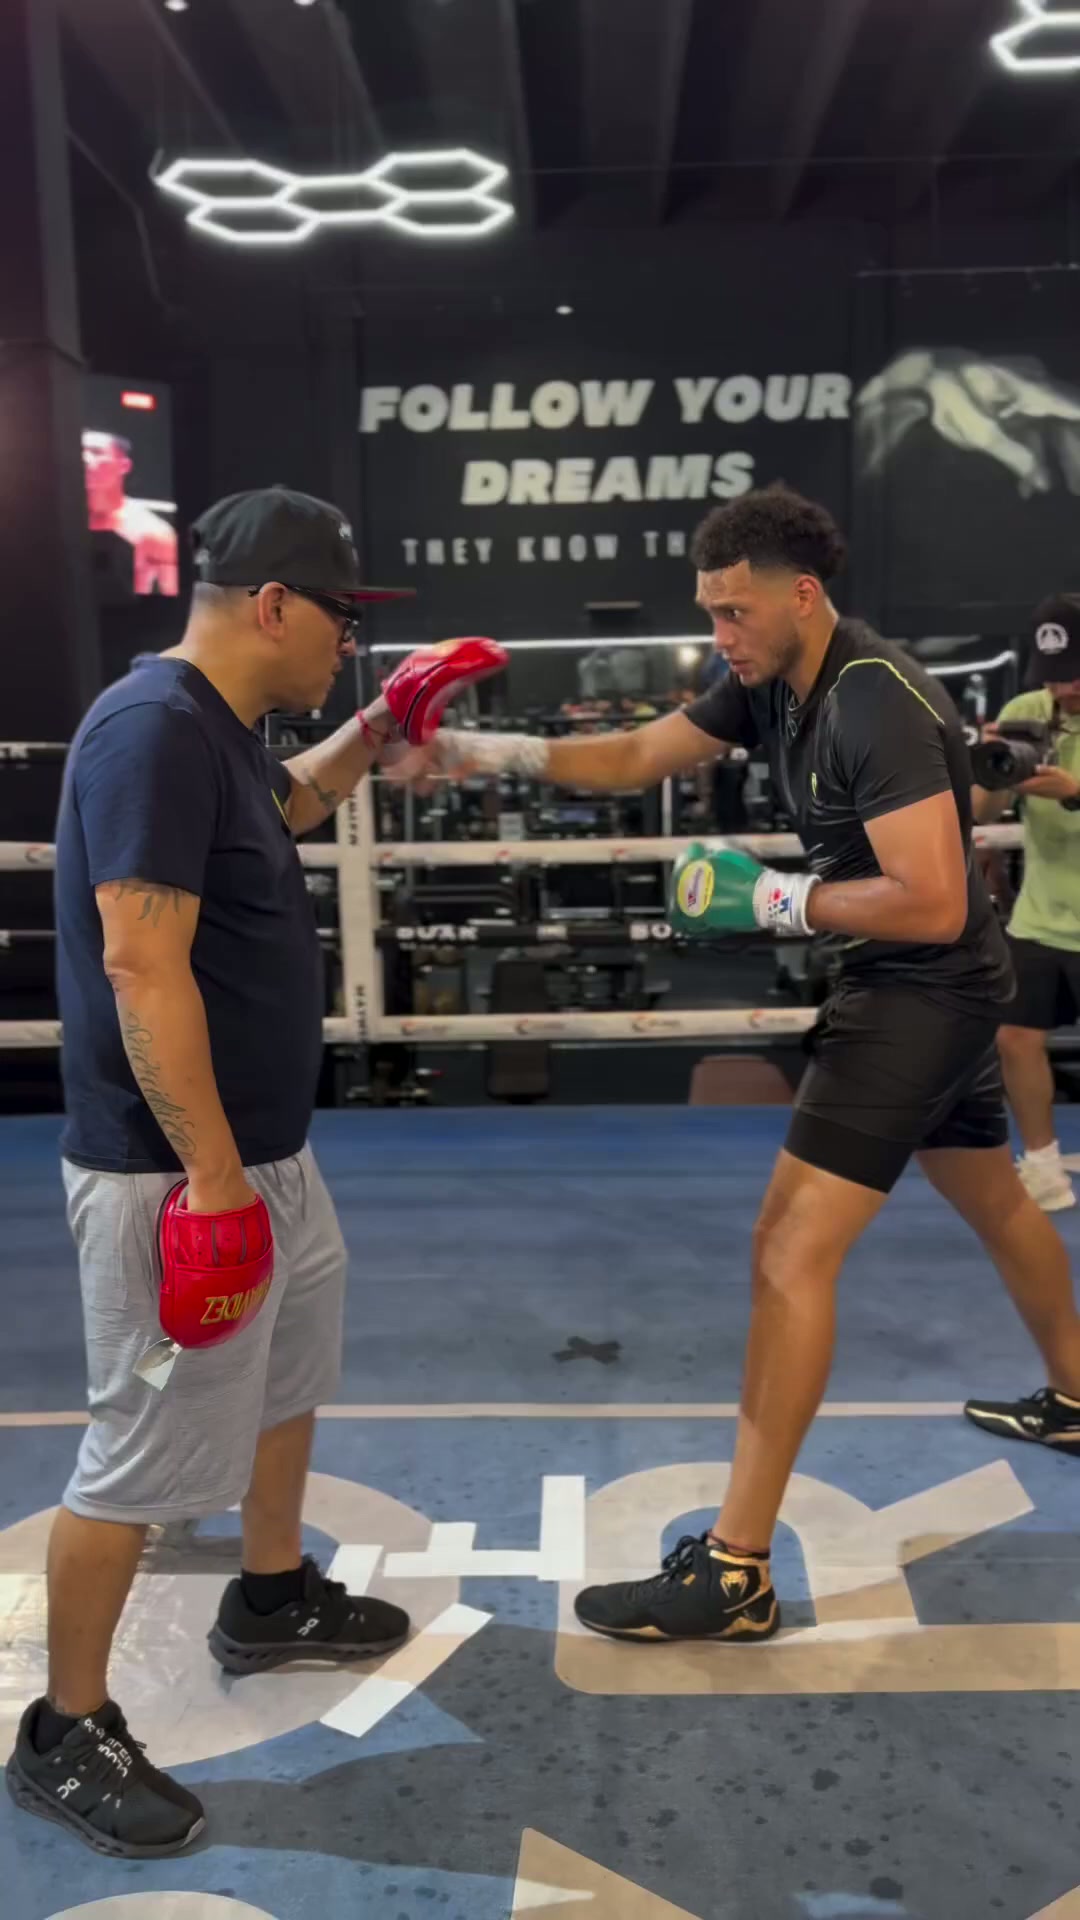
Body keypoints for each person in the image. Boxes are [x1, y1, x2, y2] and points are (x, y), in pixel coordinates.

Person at [402, 484, 1080, 1645]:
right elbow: (629, 755)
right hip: (938, 988)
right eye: (710, 611)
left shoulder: (868, 696)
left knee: (785, 1253)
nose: (720, 634)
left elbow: (929, 899)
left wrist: (773, 898)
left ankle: (737, 1566)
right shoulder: (775, 683)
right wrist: (469, 750)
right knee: (991, 1196)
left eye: (733, 610)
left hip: (916, 988)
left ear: (799, 595)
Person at [7, 486, 426, 1858]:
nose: (345, 648)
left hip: (259, 1154)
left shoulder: (220, 733)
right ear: (273, 605)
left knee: (288, 1375)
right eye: (343, 625)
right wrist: (212, 1181)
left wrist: (384, 724)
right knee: (140, 1450)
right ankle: (64, 1728)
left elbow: (287, 813)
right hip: (174, 1171)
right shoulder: (150, 731)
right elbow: (139, 961)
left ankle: (270, 1592)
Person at [973, 596, 1080, 1212]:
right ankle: (1043, 1169)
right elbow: (981, 814)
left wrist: (1073, 794)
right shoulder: (1026, 713)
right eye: (1052, 673)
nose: (1062, 688)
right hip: (1041, 914)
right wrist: (992, 771)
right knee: (1014, 1036)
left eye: (1075, 672)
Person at [82, 431, 180, 596]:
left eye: (96, 452)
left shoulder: (153, 531)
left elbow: (167, 602)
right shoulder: (57, 520)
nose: (84, 458)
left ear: (123, 466)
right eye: (80, 450)